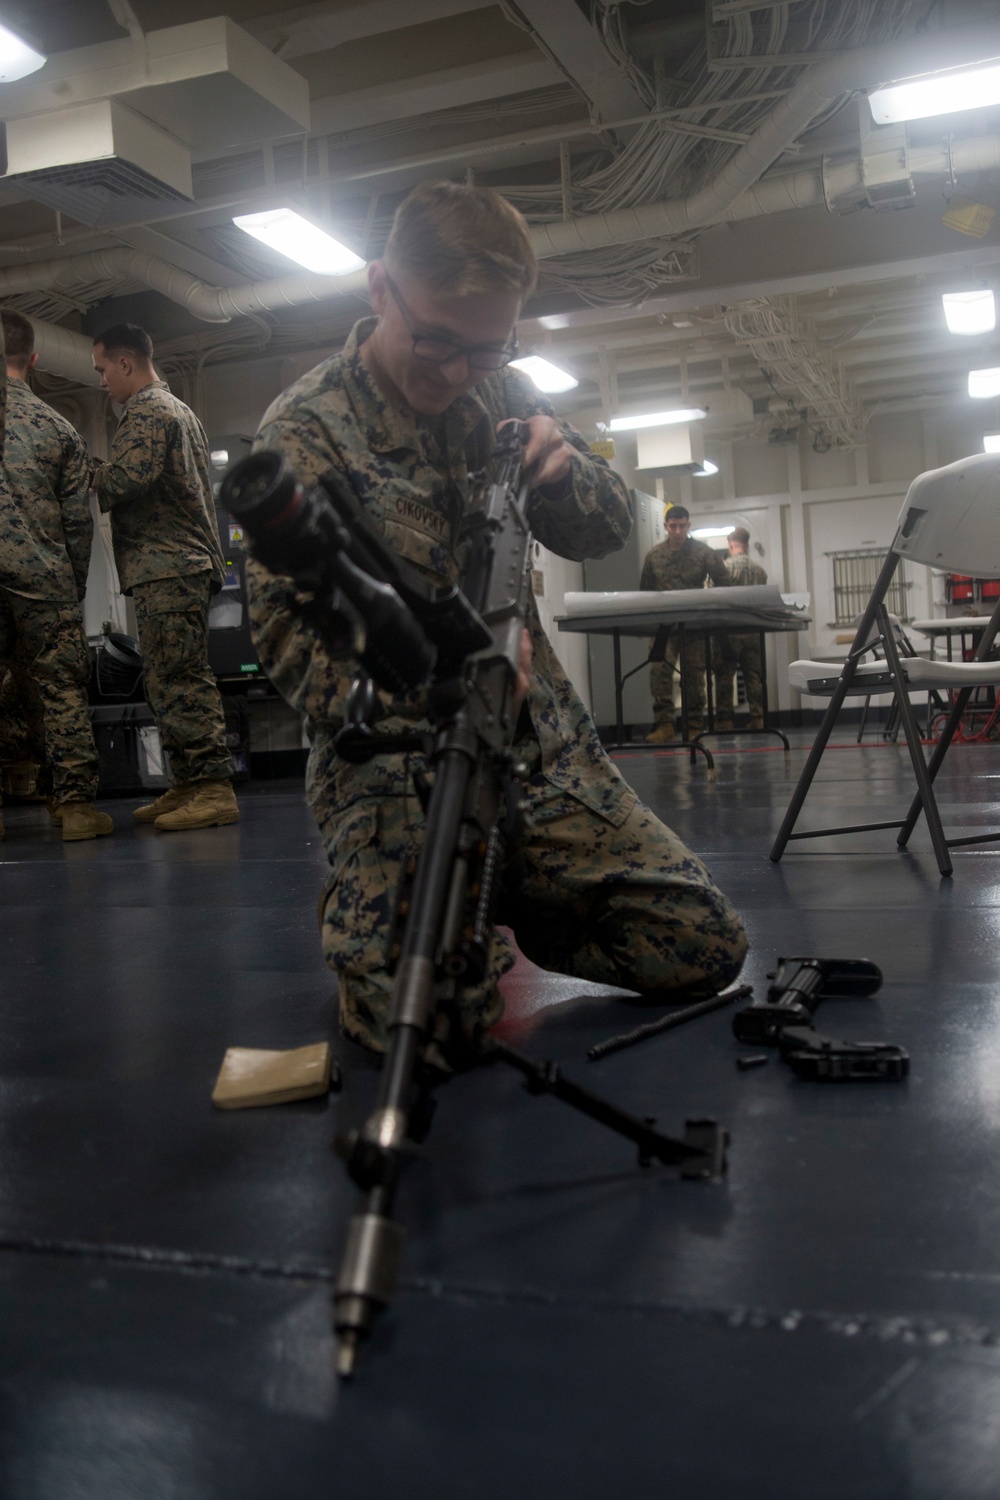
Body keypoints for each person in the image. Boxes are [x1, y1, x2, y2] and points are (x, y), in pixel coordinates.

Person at [246, 179, 747, 1055]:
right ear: (378, 290)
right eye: (434, 340)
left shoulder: (501, 390)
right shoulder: (304, 434)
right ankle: (403, 921)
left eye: (485, 349)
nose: (453, 373)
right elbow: (291, 644)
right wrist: (438, 682)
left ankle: (515, 895)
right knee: (435, 1025)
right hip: (396, 766)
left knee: (701, 946)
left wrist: (565, 470)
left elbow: (600, 526)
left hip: (537, 748)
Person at [91, 323, 239, 831]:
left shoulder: (148, 411)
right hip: (173, 565)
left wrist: (78, 471)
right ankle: (189, 785)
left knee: (180, 680)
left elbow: (125, 479)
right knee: (165, 678)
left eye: (103, 370)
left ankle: (214, 788)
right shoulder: (178, 410)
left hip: (169, 566)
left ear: (125, 363)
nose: (102, 382)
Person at [0, 307, 111, 842]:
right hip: (44, 581)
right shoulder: (59, 428)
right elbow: (77, 523)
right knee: (60, 689)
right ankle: (75, 809)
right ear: (34, 359)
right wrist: (72, 586)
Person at [639, 504, 729, 743]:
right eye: (673, 526)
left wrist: (710, 606)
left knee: (694, 675)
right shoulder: (654, 556)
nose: (677, 531)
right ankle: (665, 725)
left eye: (682, 526)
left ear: (688, 526)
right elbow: (645, 591)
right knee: (659, 673)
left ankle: (693, 725)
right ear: (667, 527)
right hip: (663, 626)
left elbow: (725, 582)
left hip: (694, 626)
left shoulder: (703, 553)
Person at [713, 527, 768, 732]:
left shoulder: (723, 568)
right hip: (753, 631)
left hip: (728, 632)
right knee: (754, 674)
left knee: (725, 674)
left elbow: (712, 597)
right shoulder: (760, 572)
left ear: (730, 544)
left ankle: (725, 719)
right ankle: (758, 716)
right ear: (746, 544)